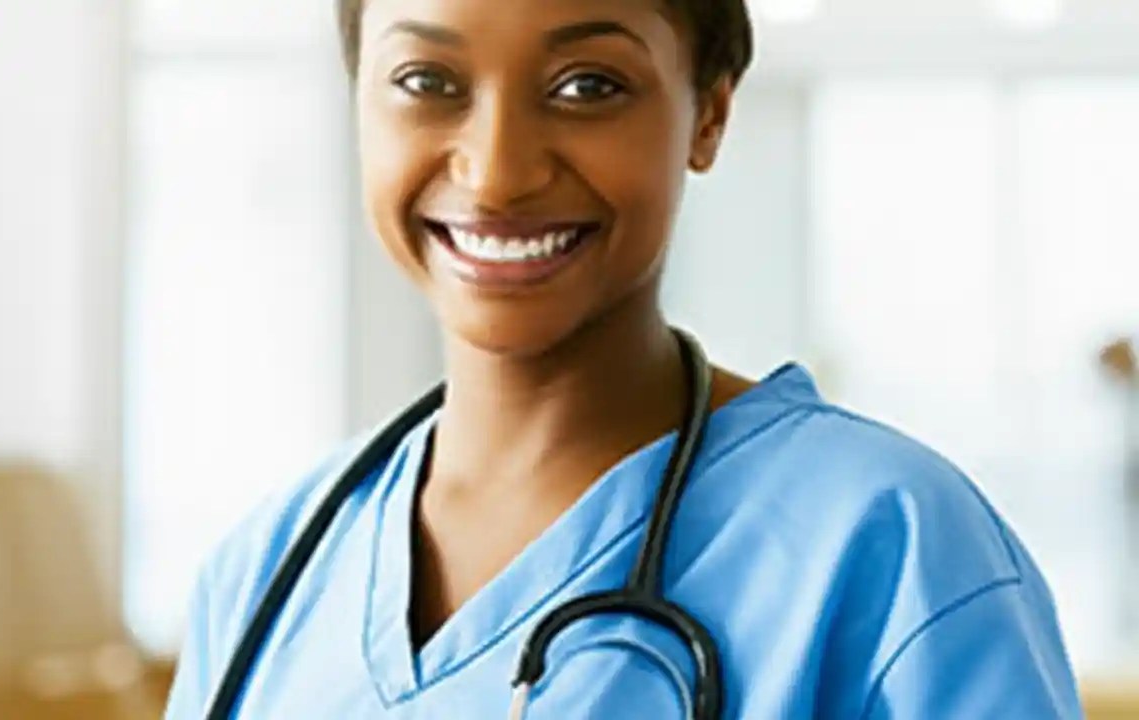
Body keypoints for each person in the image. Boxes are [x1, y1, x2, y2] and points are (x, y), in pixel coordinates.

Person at [164, 0, 1082, 716]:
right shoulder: (267, 568)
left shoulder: (891, 543)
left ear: (708, 116)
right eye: (426, 80)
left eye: (587, 86)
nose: (496, 172)